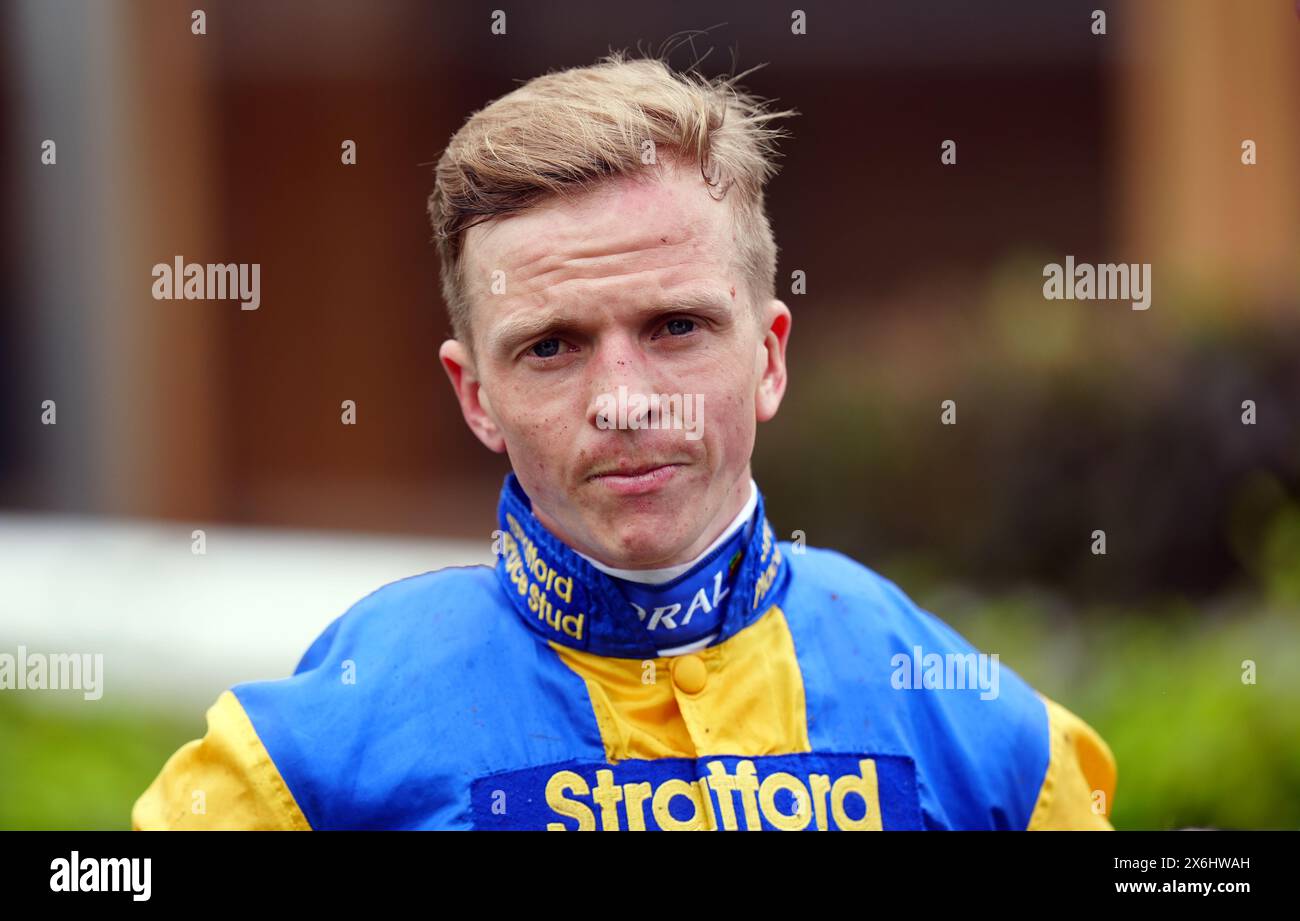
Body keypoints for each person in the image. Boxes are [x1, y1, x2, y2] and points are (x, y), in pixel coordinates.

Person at [133, 52, 1116, 831]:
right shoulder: (310, 755)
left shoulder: (979, 732)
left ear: (769, 358)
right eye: (552, 347)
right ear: (475, 396)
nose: (622, 401)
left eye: (675, 328)